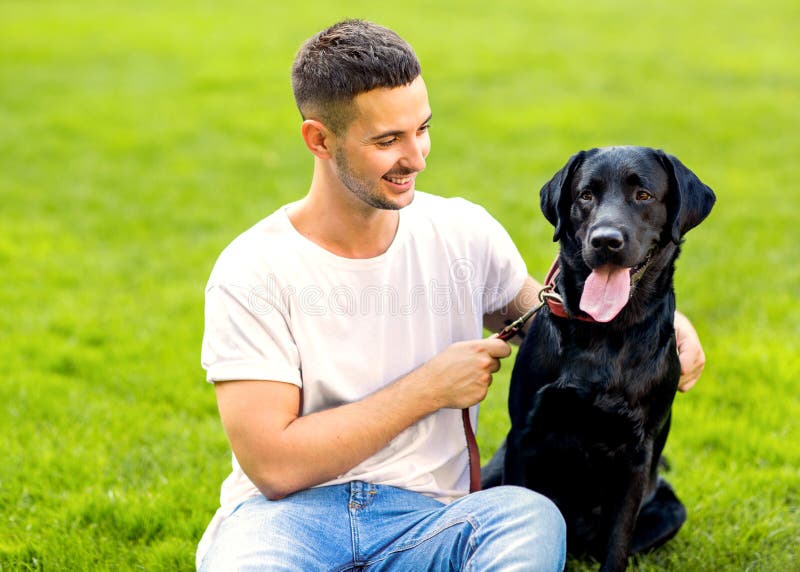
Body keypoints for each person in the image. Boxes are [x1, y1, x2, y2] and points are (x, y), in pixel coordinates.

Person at [197, 19, 706, 571]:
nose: (415, 157)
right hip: (287, 520)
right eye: (387, 140)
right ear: (319, 139)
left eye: (422, 128)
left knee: (531, 518)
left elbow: (548, 309)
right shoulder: (252, 270)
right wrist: (427, 390)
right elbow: (274, 466)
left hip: (433, 519)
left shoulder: (463, 231)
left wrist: (662, 322)